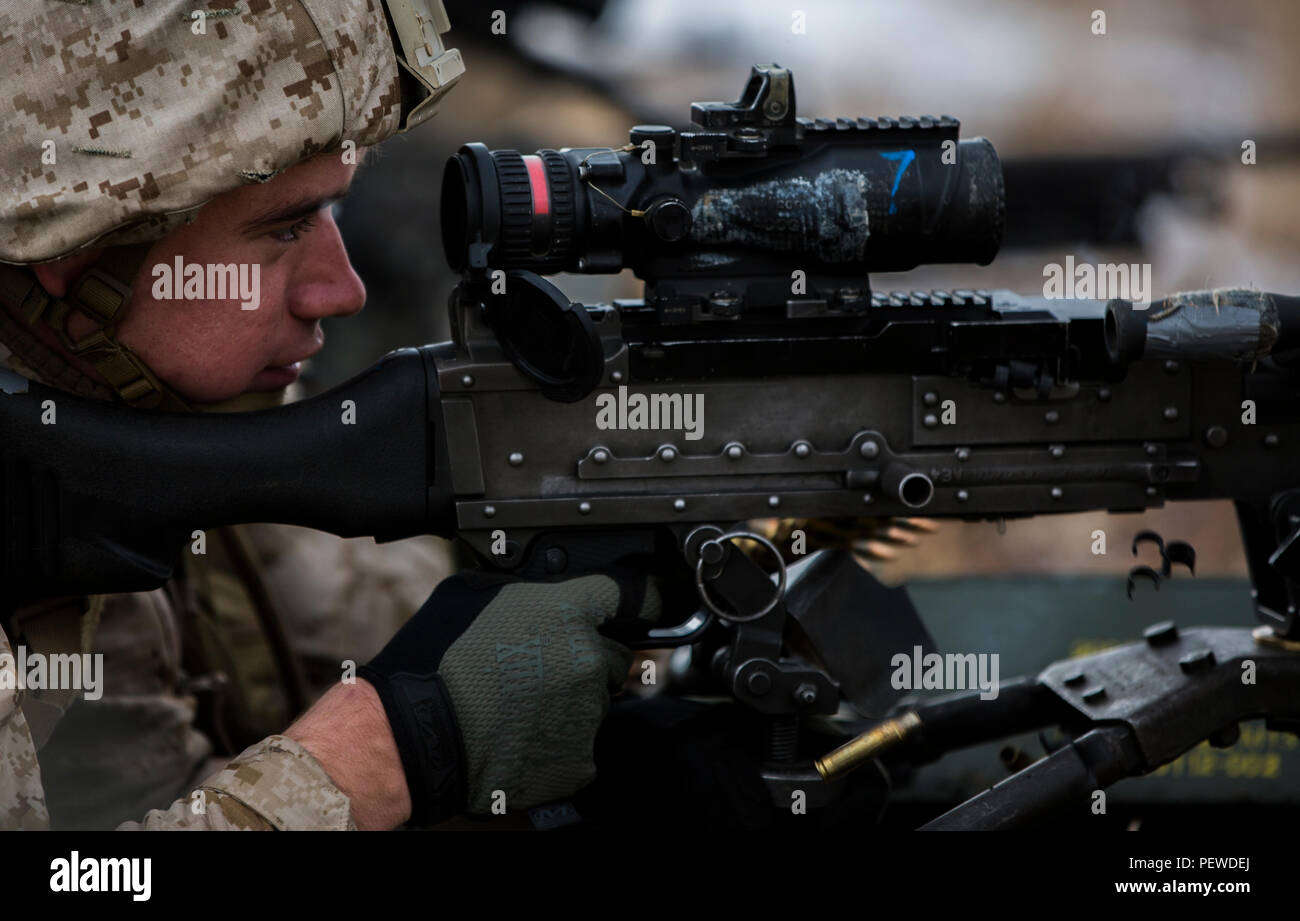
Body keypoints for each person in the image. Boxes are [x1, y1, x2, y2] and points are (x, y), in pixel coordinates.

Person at [0, 0, 648, 830]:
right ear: (78, 246)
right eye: (284, 228)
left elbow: (124, 797)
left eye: (332, 211)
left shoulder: (127, 408)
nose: (341, 290)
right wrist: (385, 754)